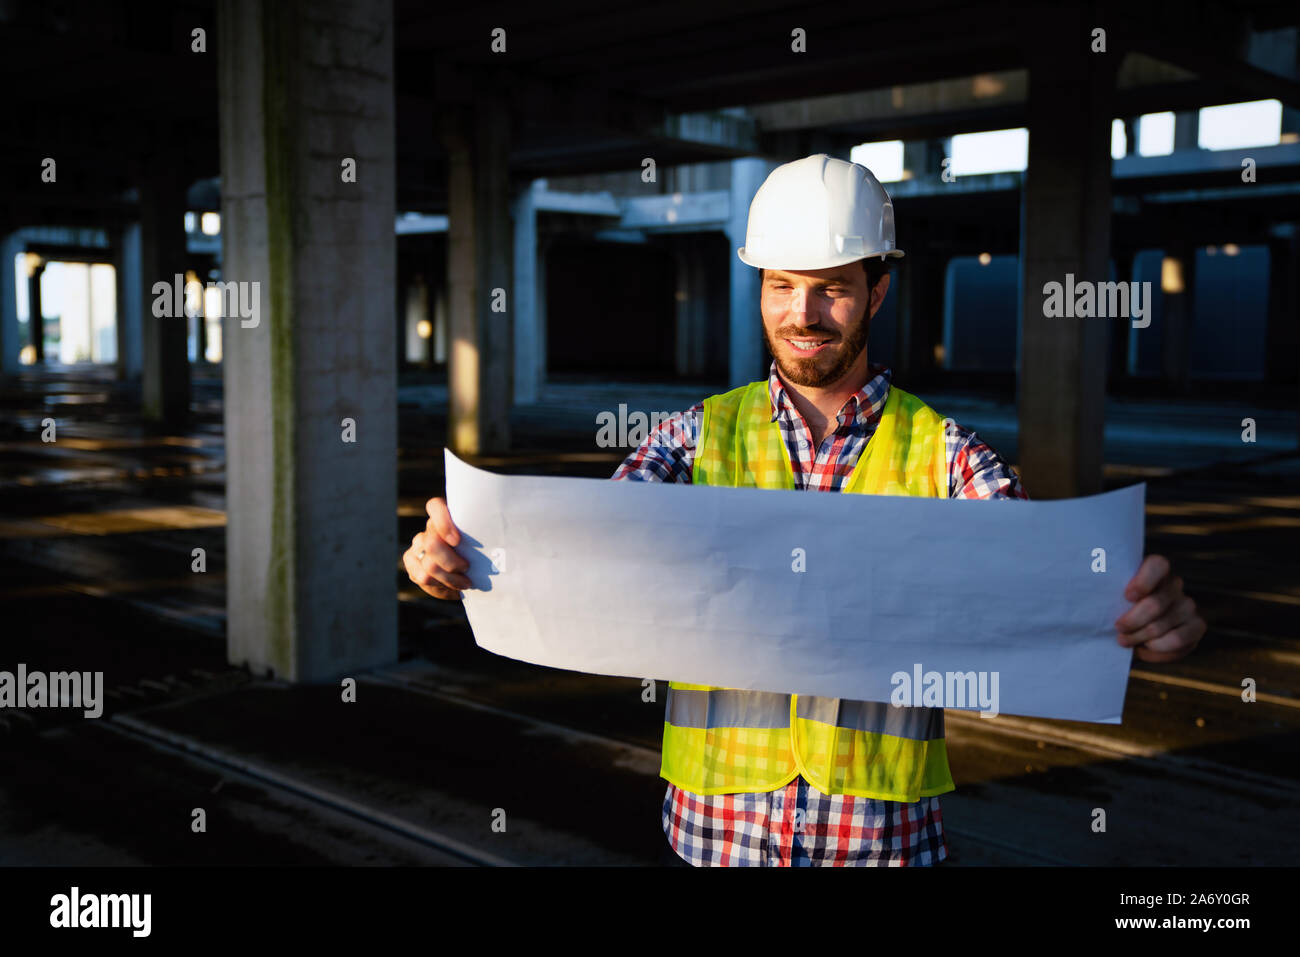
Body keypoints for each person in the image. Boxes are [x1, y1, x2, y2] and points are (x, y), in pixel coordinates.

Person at [403, 154, 1207, 867]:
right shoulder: (693, 438)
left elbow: (1045, 589)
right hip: (719, 831)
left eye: (832, 289)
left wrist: (1137, 613)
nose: (803, 313)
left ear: (878, 291)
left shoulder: (947, 453)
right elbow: (577, 558)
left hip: (880, 839)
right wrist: (462, 562)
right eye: (781, 285)